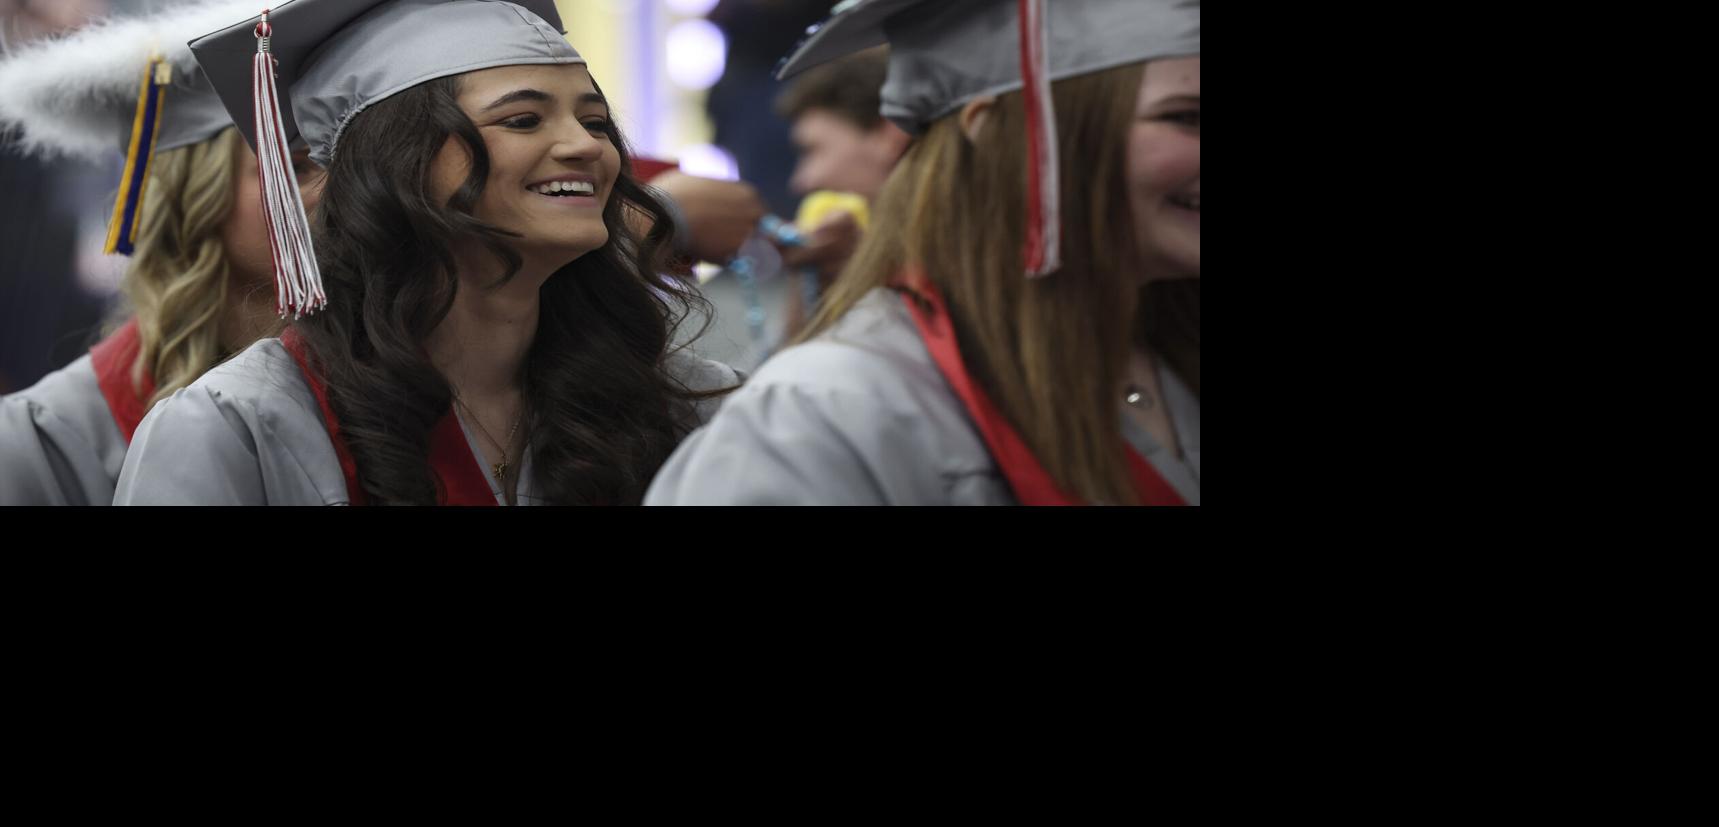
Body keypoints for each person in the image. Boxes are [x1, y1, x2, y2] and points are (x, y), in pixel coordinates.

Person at [116, 0, 739, 505]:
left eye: (597, 122)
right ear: (398, 164)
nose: (584, 146)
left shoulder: (682, 406)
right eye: (524, 120)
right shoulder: (241, 429)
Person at [646, 0, 1200, 505]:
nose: (803, 178)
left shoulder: (1164, 355)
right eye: (1185, 118)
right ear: (1008, 134)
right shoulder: (829, 418)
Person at [0, 0, 323, 504]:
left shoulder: (400, 383)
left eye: (338, 158)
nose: (335, 192)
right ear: (195, 198)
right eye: (294, 168)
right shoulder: (43, 444)